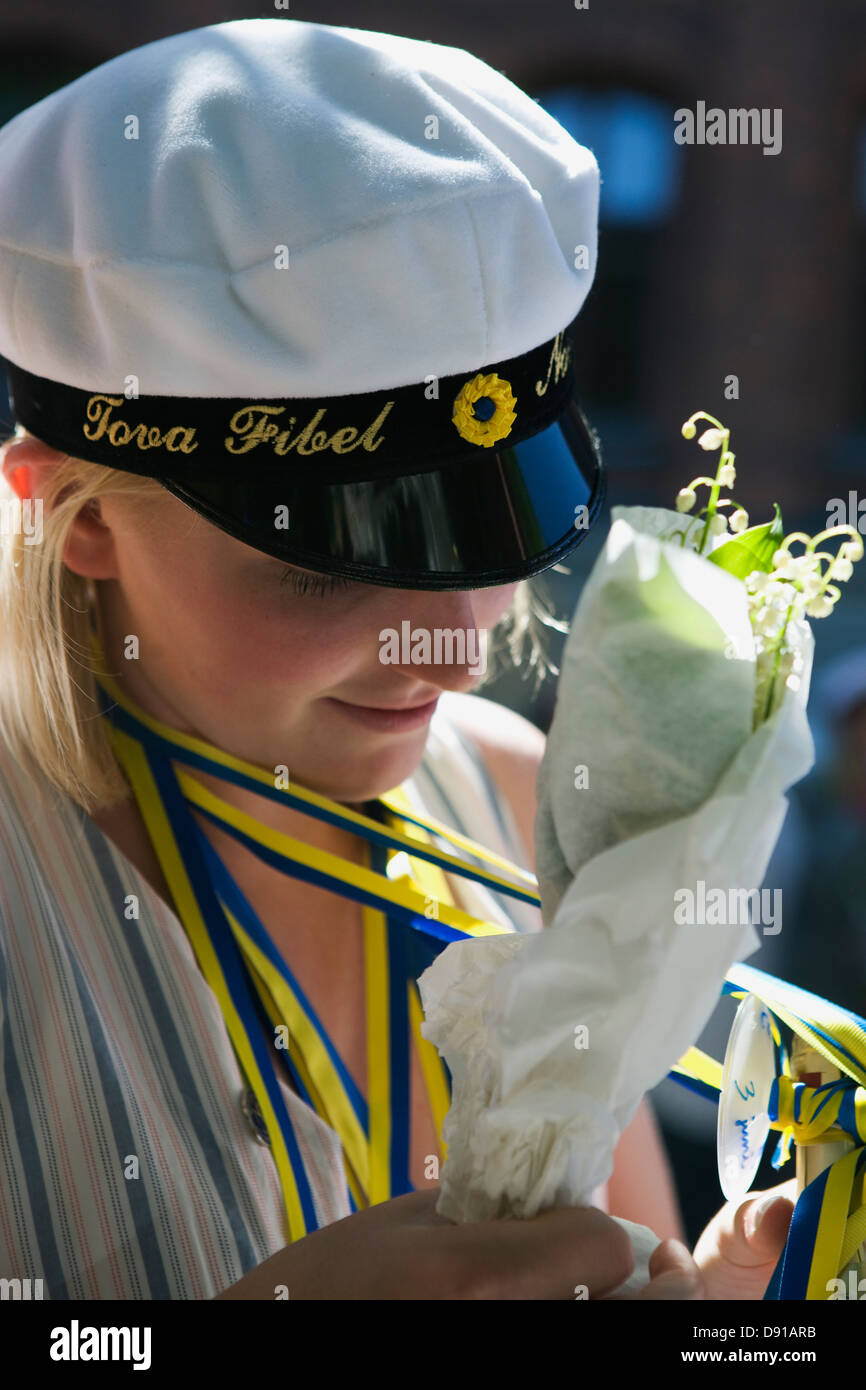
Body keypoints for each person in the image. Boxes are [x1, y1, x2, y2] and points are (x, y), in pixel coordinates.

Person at [0, 17, 793, 1300]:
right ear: (74, 514)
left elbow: (627, 1255)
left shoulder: (512, 790)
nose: (461, 655)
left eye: (497, 535)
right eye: (324, 564)